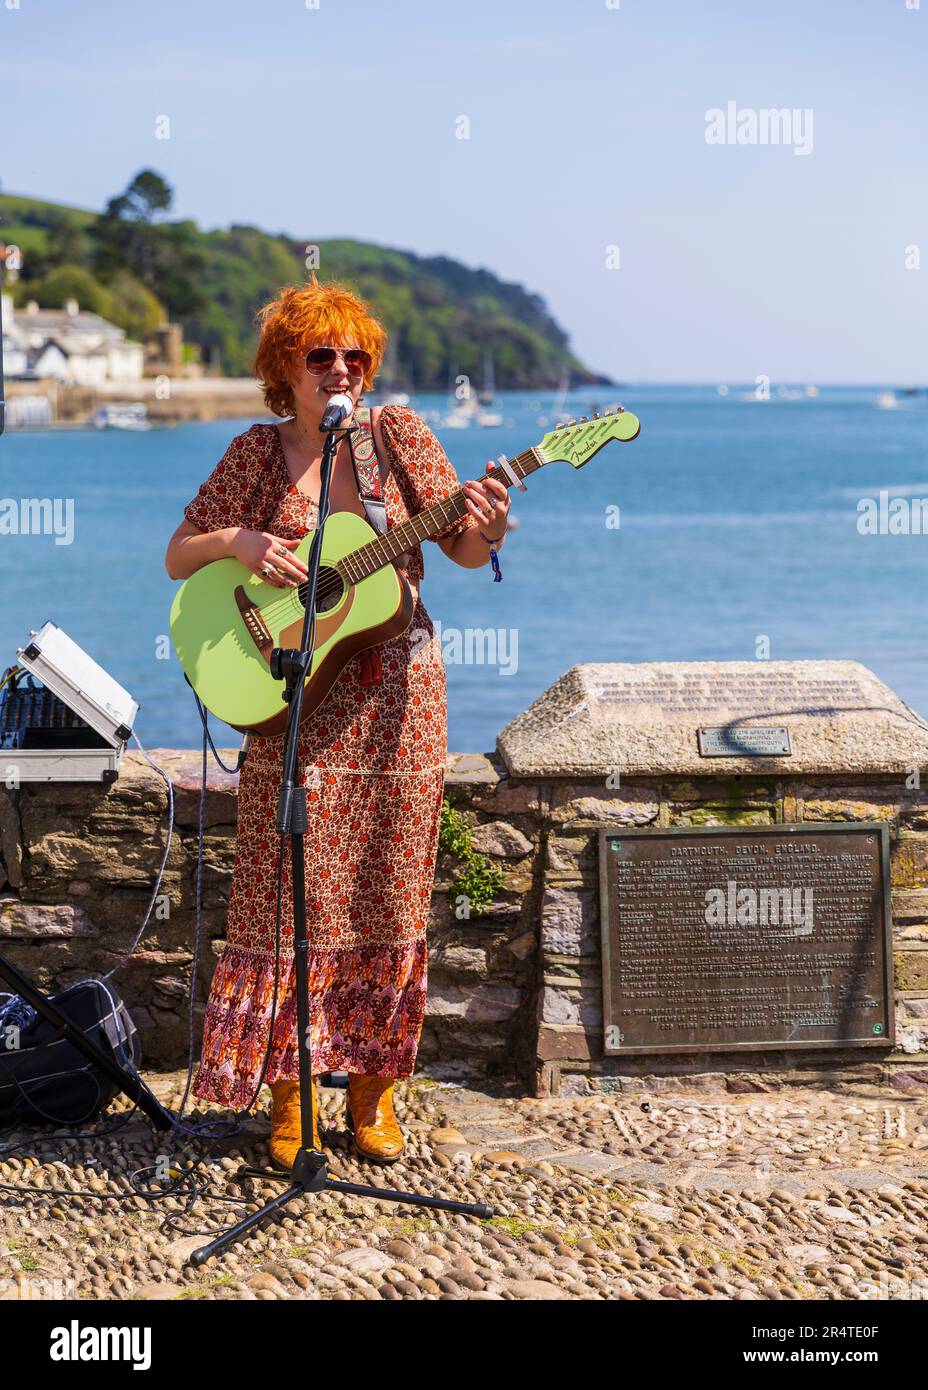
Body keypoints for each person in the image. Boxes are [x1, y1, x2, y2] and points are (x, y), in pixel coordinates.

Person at [164, 278, 510, 1167]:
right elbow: (179, 554)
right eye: (322, 356)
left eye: (355, 356)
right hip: (293, 690)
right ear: (287, 364)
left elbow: (461, 549)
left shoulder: (396, 438)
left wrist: (492, 525)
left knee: (387, 887)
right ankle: (290, 1099)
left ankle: (372, 1095)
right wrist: (240, 544)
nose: (341, 369)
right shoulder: (254, 454)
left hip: (398, 695)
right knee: (286, 892)